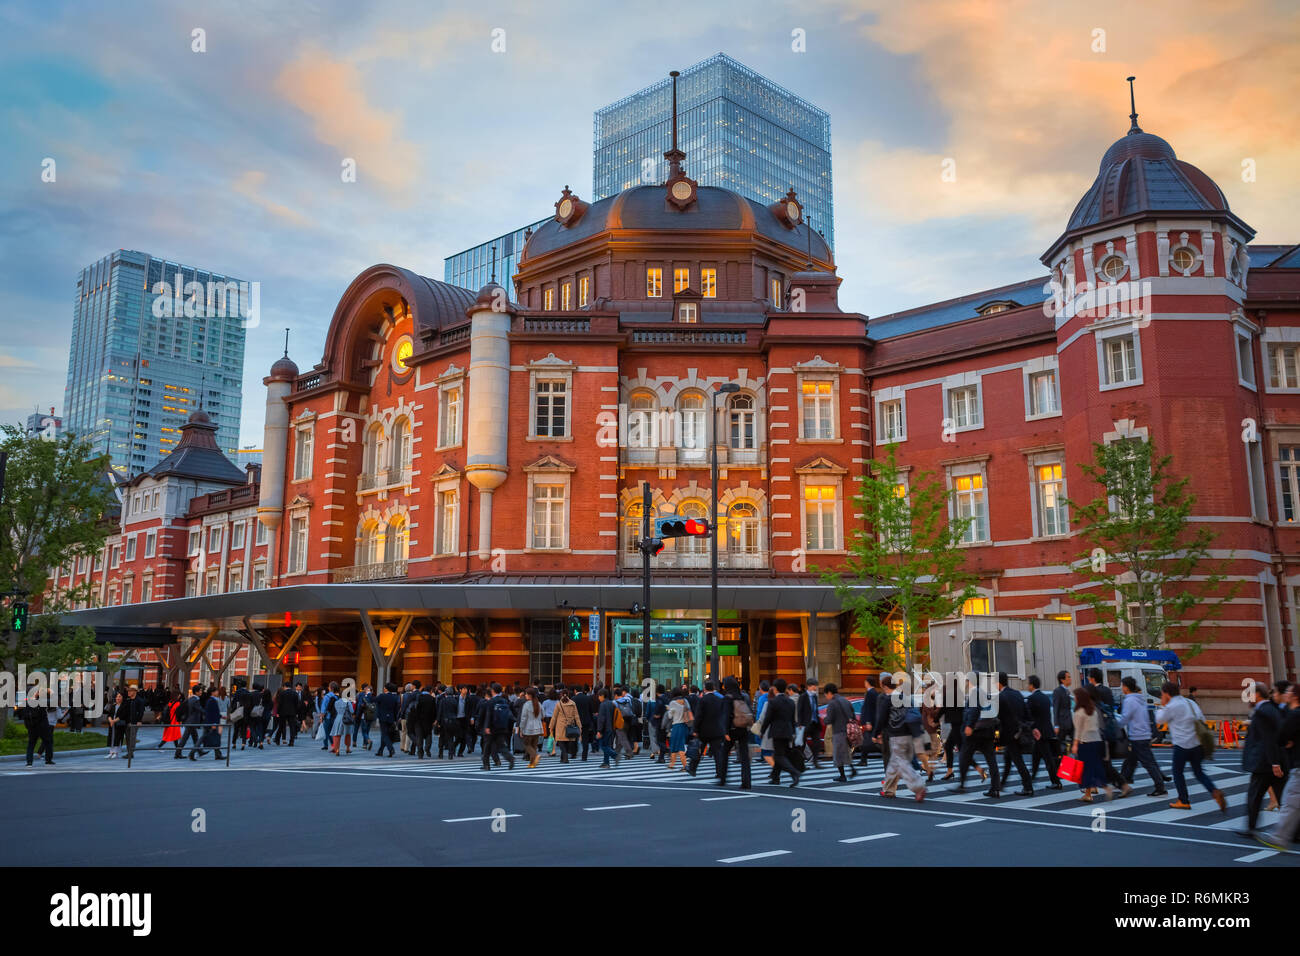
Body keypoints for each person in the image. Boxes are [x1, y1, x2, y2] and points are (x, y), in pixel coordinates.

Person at [1155, 682, 1225, 812]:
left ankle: (1183, 800)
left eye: (1162, 694)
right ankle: (1214, 791)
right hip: (1197, 744)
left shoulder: (1171, 706)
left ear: (1167, 694)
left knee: (1177, 773)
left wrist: (1162, 705)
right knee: (1198, 772)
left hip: (1182, 745)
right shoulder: (1189, 702)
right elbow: (1202, 719)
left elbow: (1159, 720)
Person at [1257, 683, 1300, 850]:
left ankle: (1279, 838)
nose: (1286, 693)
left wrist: (1288, 741)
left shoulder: (1295, 715)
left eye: (1290, 691)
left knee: (1289, 801)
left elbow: (1281, 736)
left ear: (1295, 696)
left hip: (1298, 765)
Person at [1240, 681, 1286, 836]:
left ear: (1257, 694)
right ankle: (1294, 831)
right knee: (1282, 797)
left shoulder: (1263, 712)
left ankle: (1251, 828)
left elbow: (1269, 739)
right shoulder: (1272, 709)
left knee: (1254, 796)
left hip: (1265, 763)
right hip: (1274, 762)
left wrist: (1274, 763)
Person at [1117, 676, 1164, 797]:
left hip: (1138, 735)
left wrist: (1115, 725)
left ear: (1126, 687)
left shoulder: (1129, 700)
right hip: (1143, 734)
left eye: (1122, 686)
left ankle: (1160, 786)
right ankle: (1123, 782)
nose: (1122, 688)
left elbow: (1125, 718)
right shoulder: (1140, 699)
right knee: (1131, 760)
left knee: (1147, 763)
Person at [1086, 669, 1127, 790]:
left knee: (1103, 763)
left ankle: (1120, 784)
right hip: (1109, 729)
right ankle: (1097, 784)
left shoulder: (1094, 692)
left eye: (1089, 678)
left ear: (1092, 679)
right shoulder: (1107, 690)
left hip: (1100, 732)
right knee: (1103, 762)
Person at [957, 679, 998, 794]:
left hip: (976, 732)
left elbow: (973, 711)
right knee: (991, 760)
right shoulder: (984, 693)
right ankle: (995, 788)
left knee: (964, 756)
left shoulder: (975, 692)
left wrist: (969, 725)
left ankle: (962, 785)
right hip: (987, 731)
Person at [995, 673, 1033, 797]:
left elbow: (998, 718)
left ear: (999, 683)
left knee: (1018, 761)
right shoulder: (1018, 694)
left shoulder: (1001, 697)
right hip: (1019, 732)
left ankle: (1028, 787)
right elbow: (1027, 713)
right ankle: (1001, 784)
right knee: (1008, 758)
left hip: (1009, 734)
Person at [687, 680, 729, 785]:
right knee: (718, 753)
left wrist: (695, 729)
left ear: (705, 689)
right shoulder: (719, 699)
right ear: (713, 688)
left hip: (704, 730)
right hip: (717, 730)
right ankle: (720, 772)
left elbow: (698, 716)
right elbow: (723, 715)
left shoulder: (703, 700)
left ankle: (692, 768)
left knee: (699, 750)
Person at [1025, 675, 1062, 789]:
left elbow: (1028, 715)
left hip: (1039, 733)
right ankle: (1032, 778)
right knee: (1036, 757)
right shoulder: (1045, 697)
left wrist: (1031, 728)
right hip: (1047, 730)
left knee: (1048, 758)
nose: (1027, 686)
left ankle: (1056, 782)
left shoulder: (1032, 699)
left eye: (1028, 684)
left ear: (1031, 685)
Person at [764, 678, 801, 787]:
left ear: (775, 689)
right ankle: (775, 777)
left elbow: (768, 718)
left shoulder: (773, 701)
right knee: (780, 754)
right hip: (788, 731)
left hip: (777, 731)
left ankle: (794, 772)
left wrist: (762, 731)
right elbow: (792, 719)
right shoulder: (790, 701)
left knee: (779, 756)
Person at [823, 682, 858, 783]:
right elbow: (853, 715)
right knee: (846, 752)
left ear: (829, 692)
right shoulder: (846, 701)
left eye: (826, 694)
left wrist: (824, 720)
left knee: (837, 755)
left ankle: (842, 776)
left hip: (838, 730)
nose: (826, 697)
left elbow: (829, 719)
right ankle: (853, 769)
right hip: (848, 731)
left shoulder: (832, 703)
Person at [722, 676, 753, 790]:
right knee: (744, 756)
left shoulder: (728, 698)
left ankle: (722, 778)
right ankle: (747, 781)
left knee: (724, 753)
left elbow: (726, 715)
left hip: (731, 729)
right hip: (743, 728)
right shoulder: (743, 696)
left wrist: (725, 731)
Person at [481, 683, 516, 770]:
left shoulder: (491, 701)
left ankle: (486, 765)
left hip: (492, 727)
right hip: (502, 727)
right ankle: (510, 758)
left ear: (492, 691)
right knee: (502, 746)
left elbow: (489, 715)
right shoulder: (504, 700)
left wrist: (487, 727)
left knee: (487, 746)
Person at [17, 692, 54, 767]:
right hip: (42, 726)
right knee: (48, 742)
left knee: (31, 744)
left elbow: (19, 713)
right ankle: (48, 760)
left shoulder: (25, 703)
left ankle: (29, 762)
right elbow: (51, 707)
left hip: (31, 726)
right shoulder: (41, 701)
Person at [797, 679, 824, 770]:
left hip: (815, 723)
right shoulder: (803, 696)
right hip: (805, 723)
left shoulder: (815, 697)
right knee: (802, 745)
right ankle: (801, 764)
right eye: (814, 686)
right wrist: (800, 723)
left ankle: (816, 762)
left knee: (817, 743)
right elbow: (799, 710)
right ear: (809, 686)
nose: (816, 688)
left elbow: (815, 709)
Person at [551, 686, 580, 763]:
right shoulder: (573, 703)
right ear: (568, 695)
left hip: (560, 726)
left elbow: (554, 717)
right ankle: (562, 757)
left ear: (561, 695)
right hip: (570, 725)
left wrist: (551, 726)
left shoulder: (559, 704)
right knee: (567, 742)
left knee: (561, 742)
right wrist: (580, 726)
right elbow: (576, 716)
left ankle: (565, 757)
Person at [518, 686, 545, 768]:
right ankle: (532, 763)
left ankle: (535, 756)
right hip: (538, 727)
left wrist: (521, 729)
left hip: (528, 728)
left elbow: (523, 718)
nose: (525, 695)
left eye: (526, 694)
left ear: (529, 695)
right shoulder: (539, 703)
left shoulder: (526, 704)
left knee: (527, 745)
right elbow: (543, 715)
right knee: (534, 745)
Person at [175, 685, 204, 759]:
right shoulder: (195, 700)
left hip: (190, 721)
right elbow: (199, 709)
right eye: (200, 690)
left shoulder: (191, 699)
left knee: (195, 737)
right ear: (196, 692)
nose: (201, 692)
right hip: (191, 722)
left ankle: (199, 751)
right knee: (185, 738)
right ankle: (177, 753)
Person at [595, 687, 622, 769]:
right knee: (607, 745)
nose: (598, 698)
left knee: (603, 746)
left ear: (602, 695)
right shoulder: (611, 703)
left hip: (604, 728)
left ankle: (615, 755)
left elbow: (601, 719)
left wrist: (599, 730)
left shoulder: (602, 705)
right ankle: (606, 763)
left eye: (599, 696)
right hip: (611, 727)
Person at [374, 682, 401, 757]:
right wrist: (396, 719)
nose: (384, 688)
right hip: (391, 718)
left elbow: (374, 700)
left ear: (387, 689)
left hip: (383, 717)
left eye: (385, 687)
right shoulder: (395, 697)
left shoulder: (382, 696)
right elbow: (396, 709)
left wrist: (368, 694)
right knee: (386, 734)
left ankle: (390, 748)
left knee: (385, 734)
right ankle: (380, 751)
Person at [1052, 669, 1075, 755]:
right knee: (1059, 748)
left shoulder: (1067, 691)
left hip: (1069, 722)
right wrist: (1056, 725)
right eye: (1068, 677)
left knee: (1072, 744)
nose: (1070, 679)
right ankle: (1057, 765)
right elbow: (1056, 708)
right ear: (1062, 680)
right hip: (1061, 724)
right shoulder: (1057, 691)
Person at [201, 687, 225, 761]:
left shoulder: (211, 700)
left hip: (211, 722)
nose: (218, 692)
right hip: (212, 723)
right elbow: (211, 713)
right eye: (216, 691)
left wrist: (221, 716)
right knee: (209, 738)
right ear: (212, 692)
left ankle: (218, 754)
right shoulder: (212, 701)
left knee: (215, 738)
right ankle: (193, 752)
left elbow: (213, 712)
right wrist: (214, 723)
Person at [412, 684, 435, 758]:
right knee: (428, 735)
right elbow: (434, 711)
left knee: (419, 737)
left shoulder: (419, 698)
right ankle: (427, 748)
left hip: (418, 720)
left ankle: (420, 753)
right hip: (428, 720)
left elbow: (416, 709)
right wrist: (434, 720)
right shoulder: (432, 699)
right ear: (431, 691)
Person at [274, 681, 299, 746]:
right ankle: (291, 741)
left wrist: (278, 712)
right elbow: (297, 704)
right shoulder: (295, 693)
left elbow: (280, 704)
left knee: (281, 726)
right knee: (292, 727)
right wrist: (296, 712)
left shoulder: (282, 693)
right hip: (292, 712)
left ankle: (277, 739)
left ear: (285, 686)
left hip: (283, 712)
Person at [354, 683, 375, 751]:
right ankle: (365, 744)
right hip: (370, 715)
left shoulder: (361, 695)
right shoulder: (372, 695)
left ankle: (367, 741)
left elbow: (359, 705)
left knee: (361, 730)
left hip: (362, 715)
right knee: (367, 730)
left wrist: (356, 714)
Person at [105, 691, 125, 758]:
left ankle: (116, 752)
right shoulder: (113, 706)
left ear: (122, 698)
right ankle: (111, 752)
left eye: (119, 696)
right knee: (111, 737)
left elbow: (122, 716)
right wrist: (111, 720)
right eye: (117, 696)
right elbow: (109, 715)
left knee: (117, 737)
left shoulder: (124, 706)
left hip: (119, 724)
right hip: (112, 724)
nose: (118, 698)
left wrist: (113, 721)